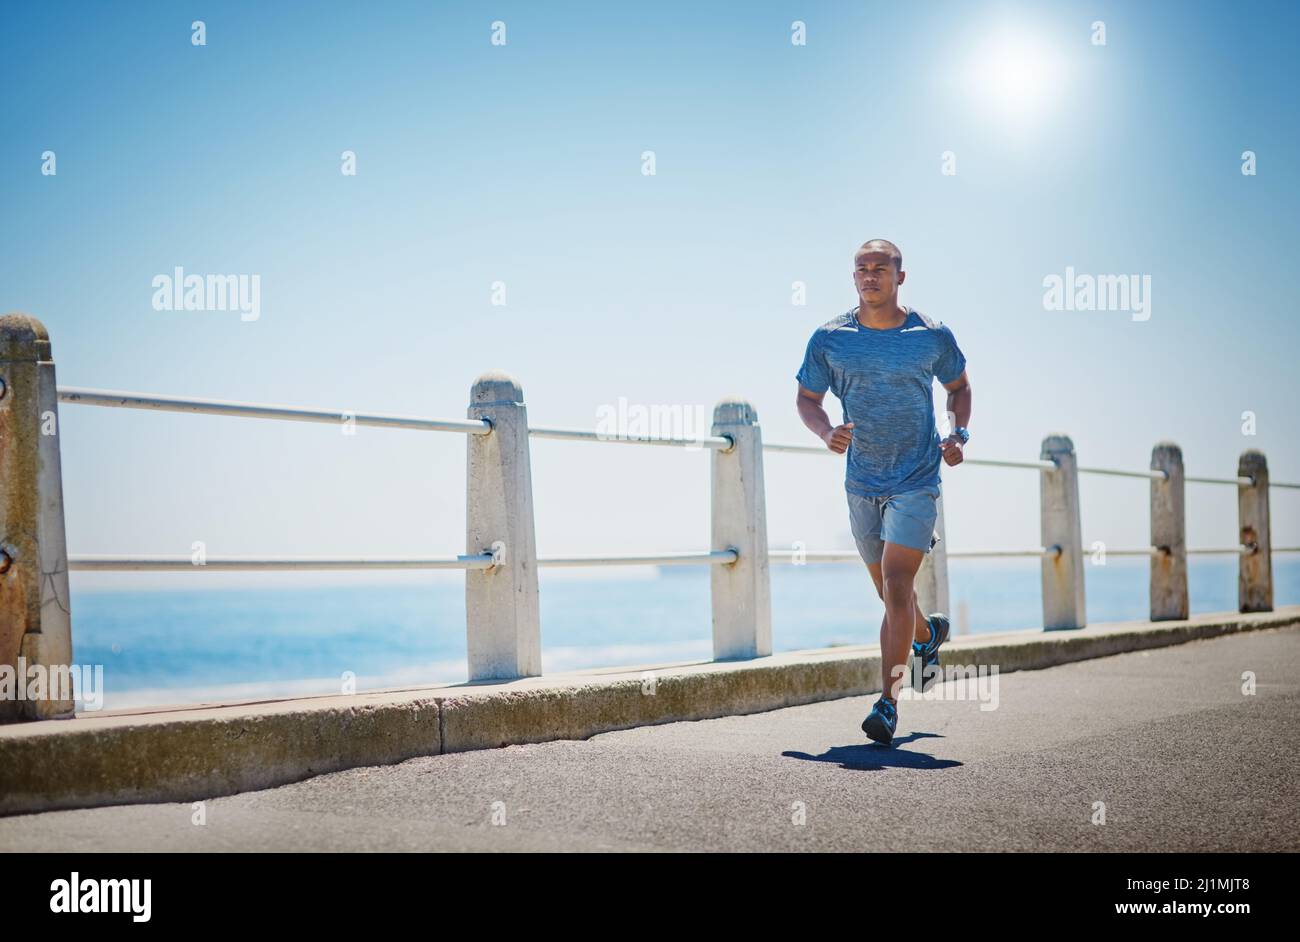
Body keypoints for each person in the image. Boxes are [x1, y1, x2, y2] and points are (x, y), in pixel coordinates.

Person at [795, 239, 972, 745]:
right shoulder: (830, 338)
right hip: (862, 481)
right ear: (854, 277)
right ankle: (927, 634)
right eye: (861, 269)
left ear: (900, 275)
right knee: (888, 593)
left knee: (896, 587)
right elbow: (807, 398)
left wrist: (957, 433)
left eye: (880, 268)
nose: (870, 276)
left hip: (917, 478)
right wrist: (825, 431)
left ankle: (888, 704)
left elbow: (959, 387)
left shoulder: (930, 335)